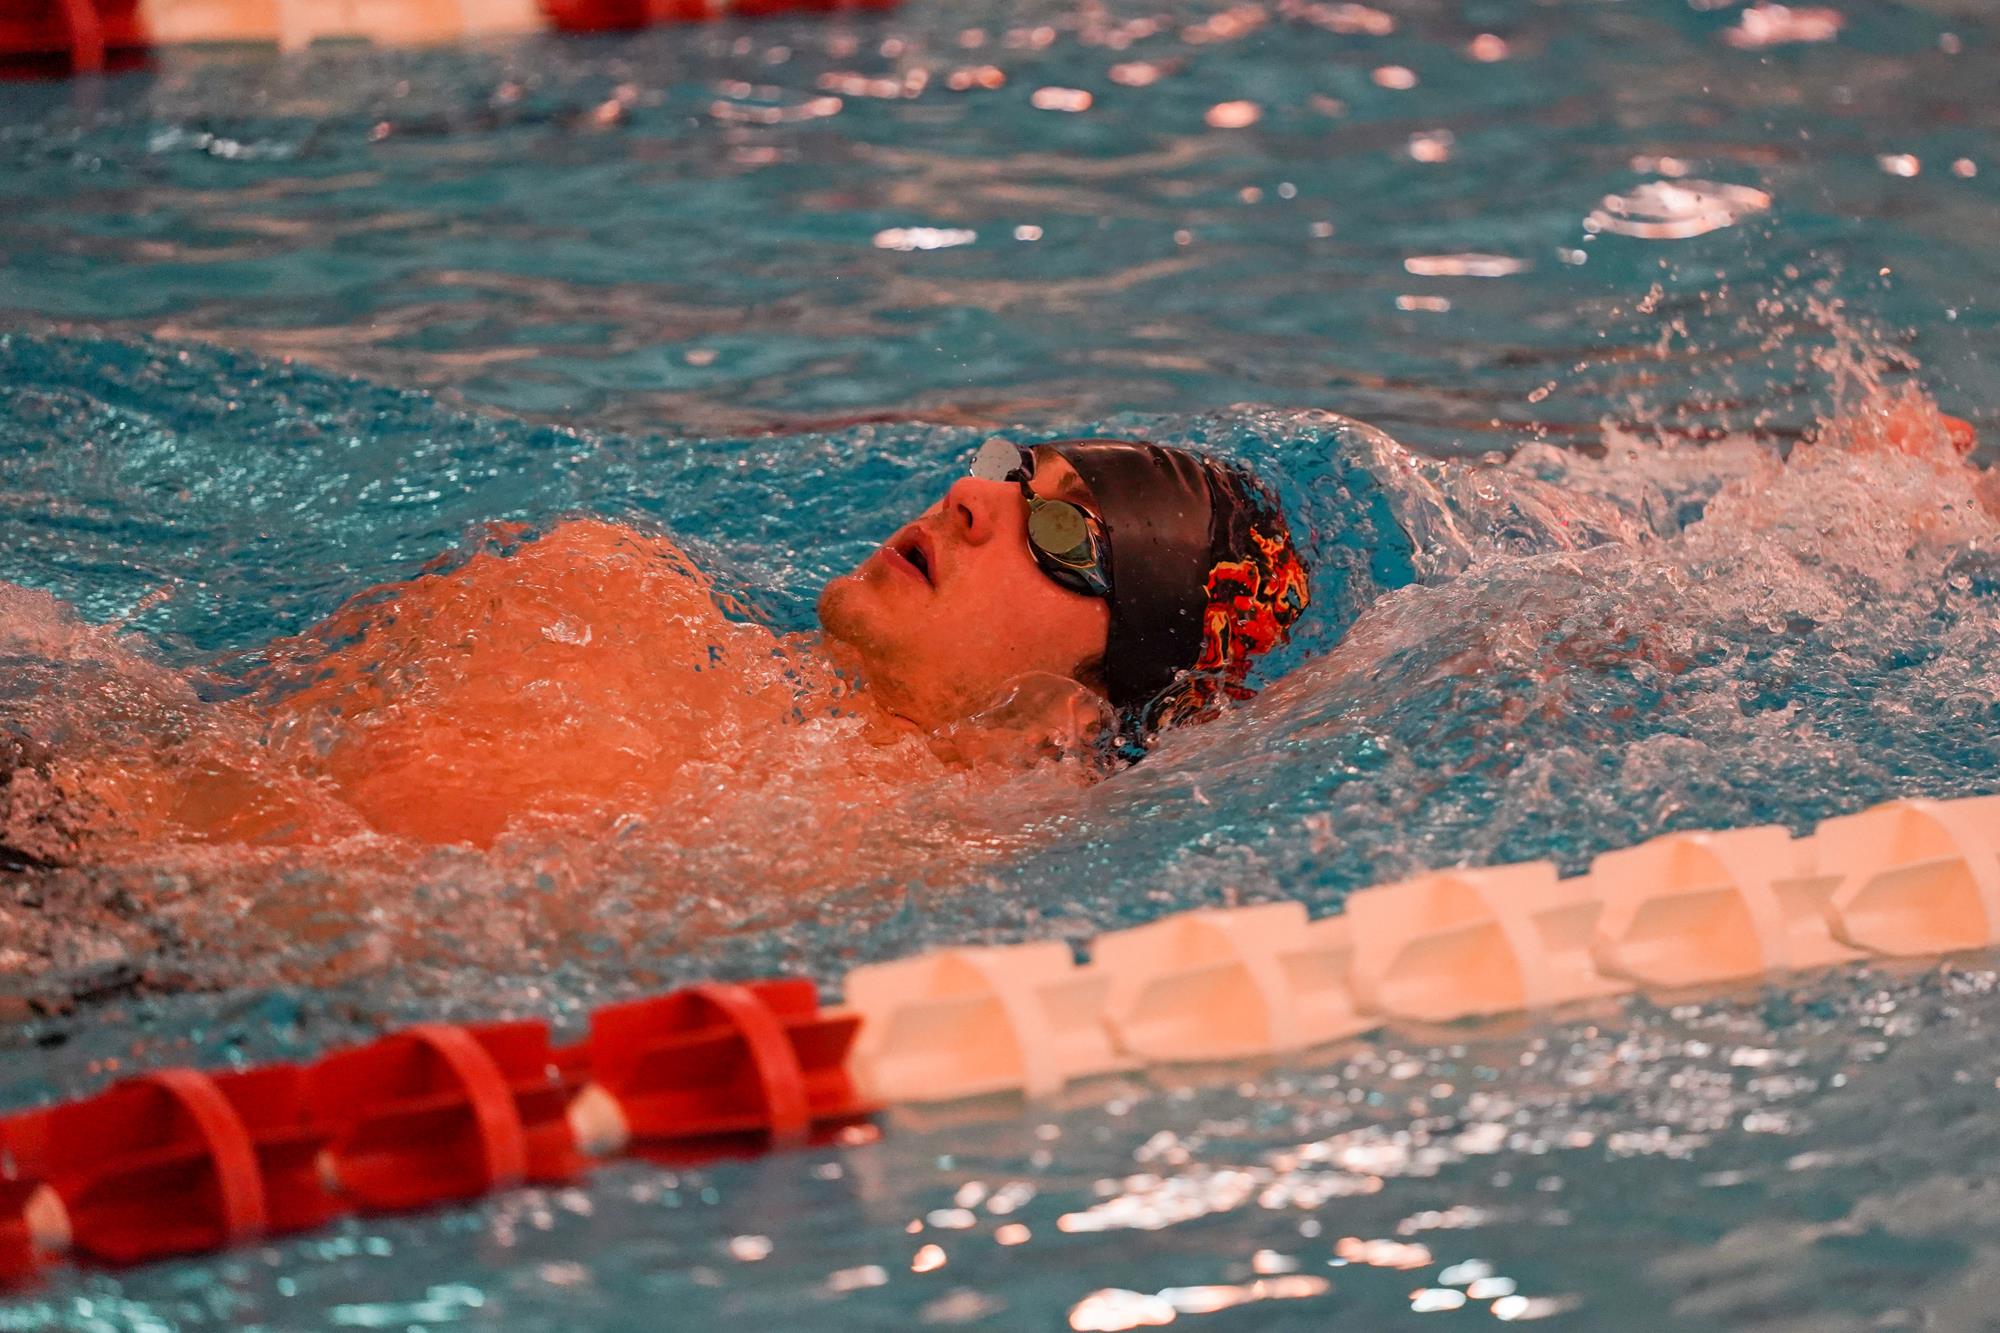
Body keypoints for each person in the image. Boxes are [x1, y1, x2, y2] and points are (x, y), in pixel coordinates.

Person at [0, 436, 1312, 857]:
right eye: (1010, 471)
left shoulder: (821, 851)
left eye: (1064, 537)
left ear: (1074, 723)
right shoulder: (692, 665)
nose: (972, 501)